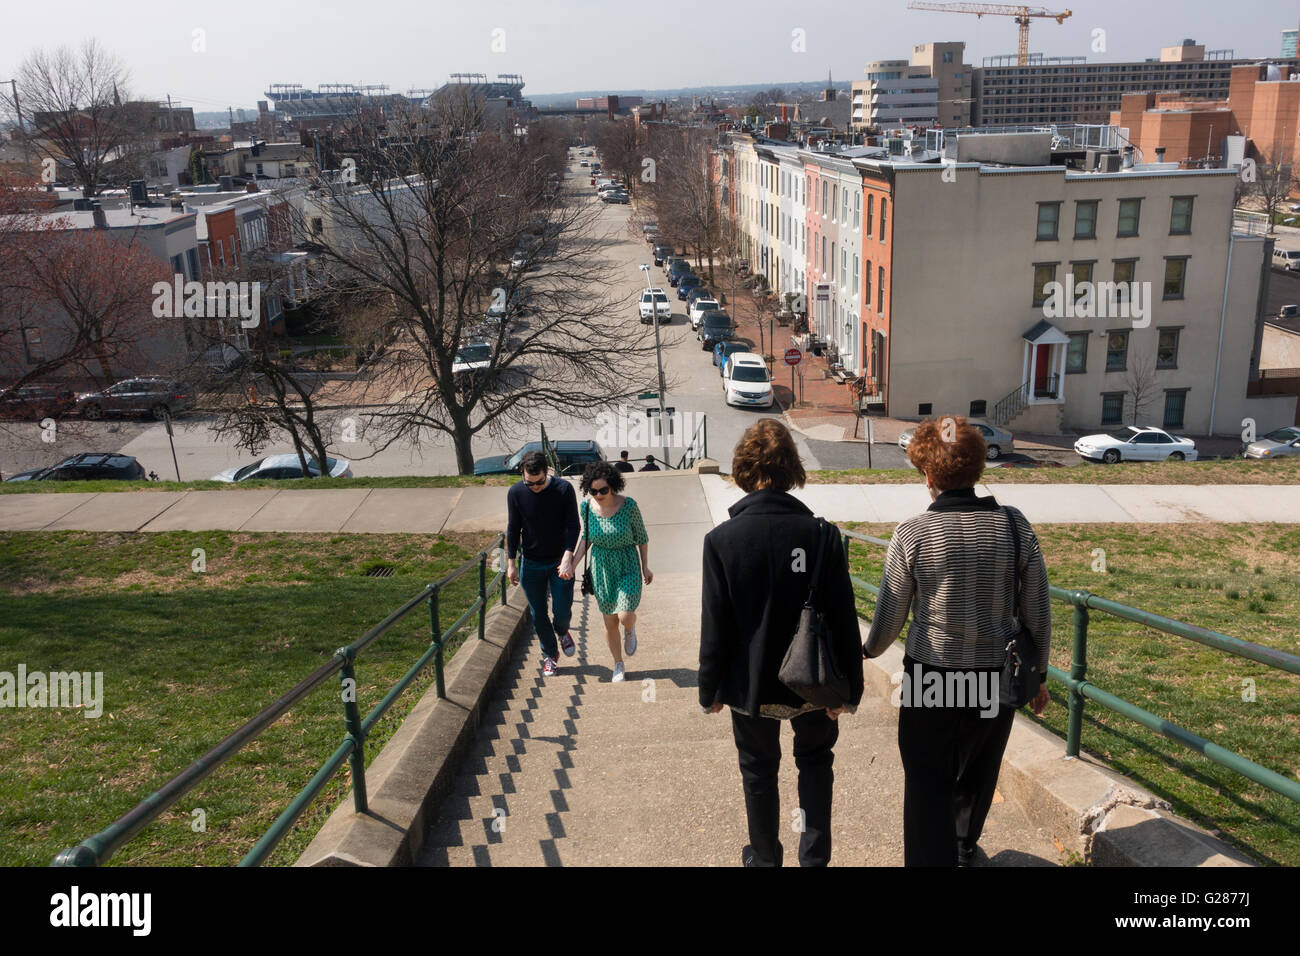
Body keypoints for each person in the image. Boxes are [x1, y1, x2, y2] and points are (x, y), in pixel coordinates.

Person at [863, 416, 1051, 867]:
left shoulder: (912, 533)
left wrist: (866, 652)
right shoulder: (1013, 526)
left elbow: (891, 617)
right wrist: (1039, 674)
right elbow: (1037, 610)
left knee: (928, 781)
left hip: (933, 679)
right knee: (977, 773)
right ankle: (964, 849)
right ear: (978, 468)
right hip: (993, 677)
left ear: (929, 476)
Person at [699, 419, 864, 867]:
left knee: (758, 771)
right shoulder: (824, 536)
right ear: (792, 469)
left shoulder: (721, 541)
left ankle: (766, 857)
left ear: (743, 472)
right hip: (814, 681)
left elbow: (716, 625)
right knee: (815, 766)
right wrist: (851, 690)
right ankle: (813, 860)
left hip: (749, 686)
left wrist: (709, 689)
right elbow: (844, 617)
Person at [565, 462, 651, 683]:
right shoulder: (587, 507)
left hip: (627, 563)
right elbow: (587, 539)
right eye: (593, 491)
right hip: (601, 567)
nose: (598, 494)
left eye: (603, 490)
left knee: (624, 615)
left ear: (613, 486)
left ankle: (630, 629)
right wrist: (572, 565)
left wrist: (645, 566)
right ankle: (618, 664)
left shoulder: (629, 506)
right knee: (610, 621)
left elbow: (641, 538)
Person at [506, 451, 580, 677]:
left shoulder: (563, 489)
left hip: (560, 561)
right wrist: (510, 563)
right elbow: (513, 528)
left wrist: (569, 555)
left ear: (547, 471)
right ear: (522, 474)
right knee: (538, 614)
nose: (535, 487)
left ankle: (563, 631)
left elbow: (573, 525)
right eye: (530, 483)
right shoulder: (516, 492)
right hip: (531, 562)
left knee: (561, 611)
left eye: (539, 482)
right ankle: (550, 654)